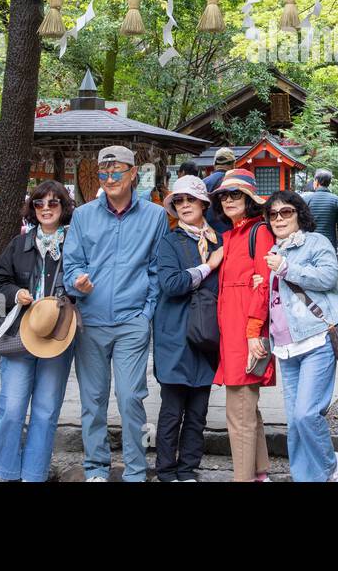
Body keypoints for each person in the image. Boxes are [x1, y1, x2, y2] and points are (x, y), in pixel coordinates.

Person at [63, 145, 168, 483]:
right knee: (92, 401)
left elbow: (156, 270)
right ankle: (95, 468)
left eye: (116, 172)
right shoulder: (83, 216)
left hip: (131, 322)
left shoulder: (154, 217)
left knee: (130, 399)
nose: (109, 179)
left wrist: (145, 313)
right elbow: (71, 266)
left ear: (133, 173)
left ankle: (136, 471)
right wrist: (78, 284)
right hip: (90, 322)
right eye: (103, 174)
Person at [0, 180, 77, 481]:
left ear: (63, 208)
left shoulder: (76, 244)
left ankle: (34, 474)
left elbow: (86, 282)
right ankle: (3, 470)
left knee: (46, 410)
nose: (46, 208)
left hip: (58, 334)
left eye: (54, 203)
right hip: (21, 332)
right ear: (33, 208)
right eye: (40, 203)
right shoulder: (19, 244)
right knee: (12, 407)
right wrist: (17, 293)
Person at [260, 189, 338, 482]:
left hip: (316, 340)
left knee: (308, 414)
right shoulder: (273, 249)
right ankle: (303, 477)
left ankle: (330, 467)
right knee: (295, 422)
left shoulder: (315, 242)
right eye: (273, 214)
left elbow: (328, 278)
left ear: (299, 214)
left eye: (286, 212)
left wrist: (286, 268)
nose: (279, 218)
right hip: (284, 346)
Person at [153, 176, 223, 482]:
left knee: (198, 411)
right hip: (175, 332)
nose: (183, 206)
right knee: (172, 411)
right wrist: (209, 266)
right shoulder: (169, 242)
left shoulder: (220, 239)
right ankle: (166, 471)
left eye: (190, 200)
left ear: (203, 204)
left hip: (208, 334)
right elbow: (171, 284)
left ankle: (188, 469)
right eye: (179, 202)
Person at [209, 168, 276, 481]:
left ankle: (243, 478)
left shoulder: (258, 232)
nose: (227, 199)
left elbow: (264, 287)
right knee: (247, 410)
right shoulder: (232, 235)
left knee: (239, 414)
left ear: (249, 199)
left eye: (235, 194)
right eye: (223, 194)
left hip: (247, 334)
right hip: (232, 336)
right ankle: (260, 472)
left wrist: (252, 333)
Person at [301, 169, 338, 266]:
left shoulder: (306, 199)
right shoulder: (337, 200)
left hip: (309, 244)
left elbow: (300, 223)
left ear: (317, 182)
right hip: (329, 244)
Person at [202, 146, 237, 234]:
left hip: (208, 233)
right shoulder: (235, 182)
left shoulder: (203, 183)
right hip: (231, 232)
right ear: (233, 164)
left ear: (214, 164)